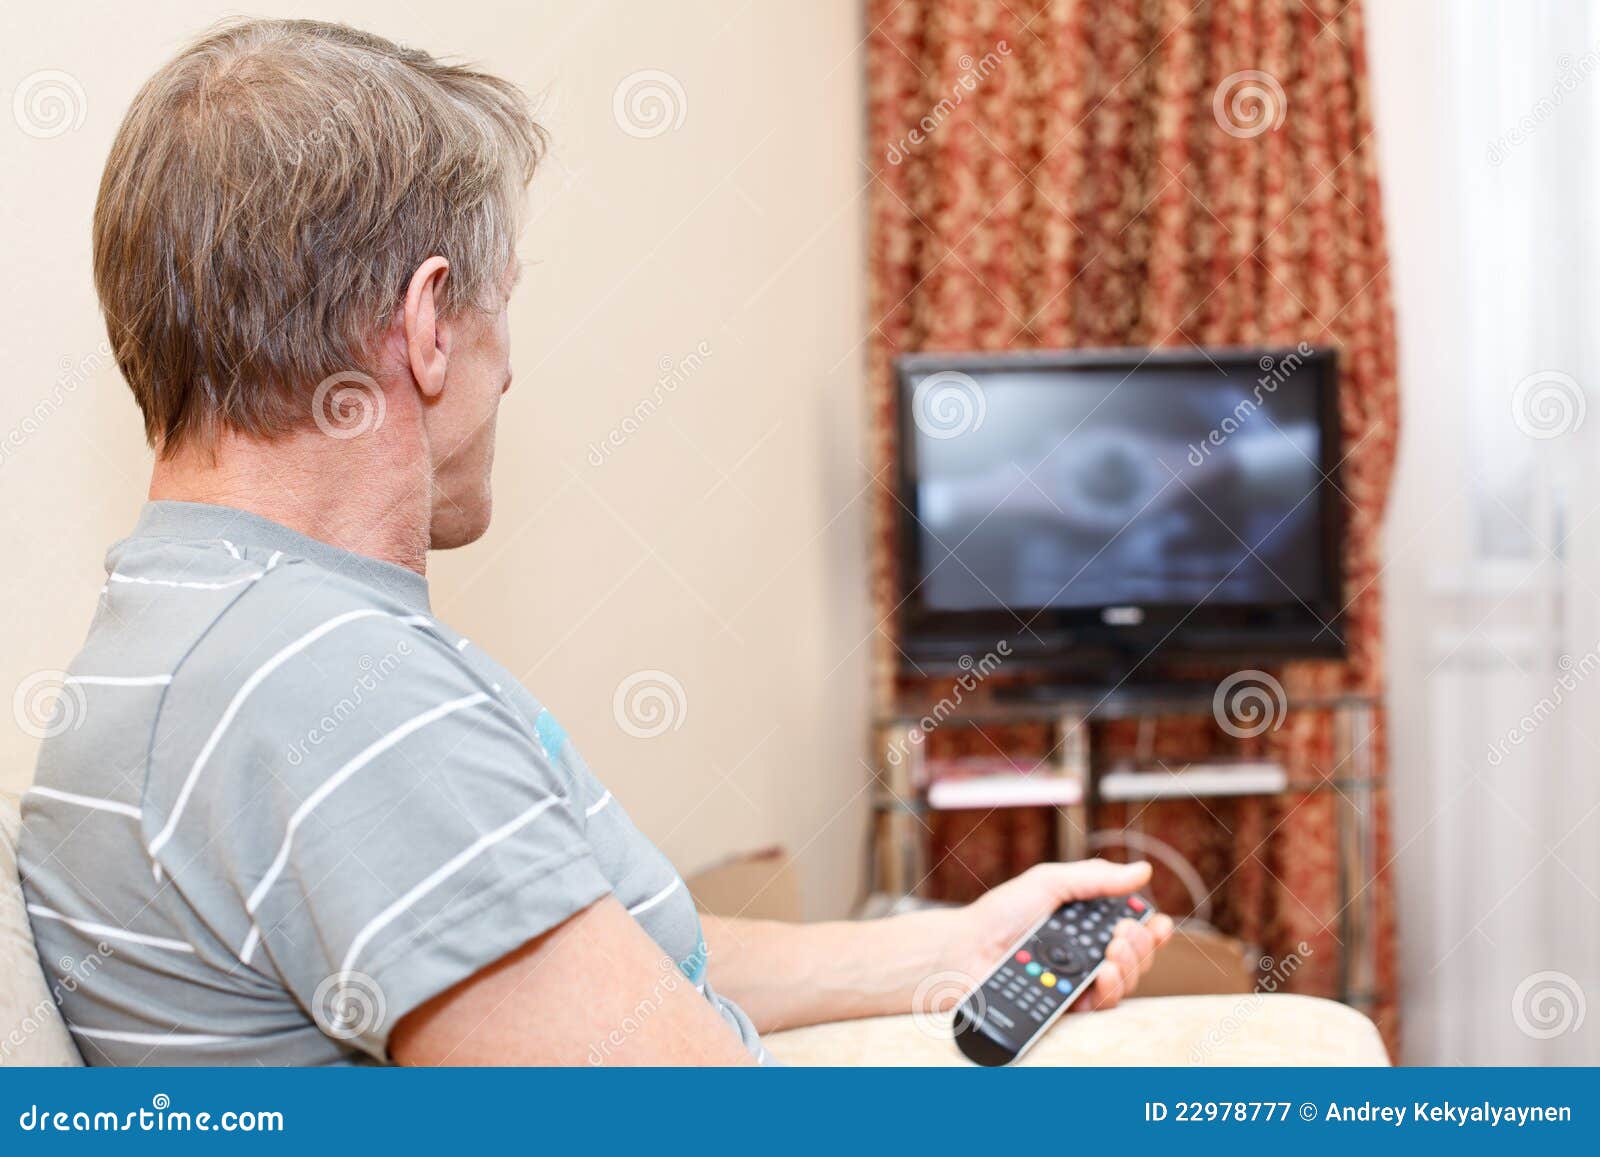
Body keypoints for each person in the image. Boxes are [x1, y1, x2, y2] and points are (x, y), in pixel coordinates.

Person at [19, 17, 1171, 1066]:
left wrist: (951, 946)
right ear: (426, 325)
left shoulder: (189, 624)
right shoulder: (334, 693)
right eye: (499, 304)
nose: (510, 368)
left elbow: (573, 953)